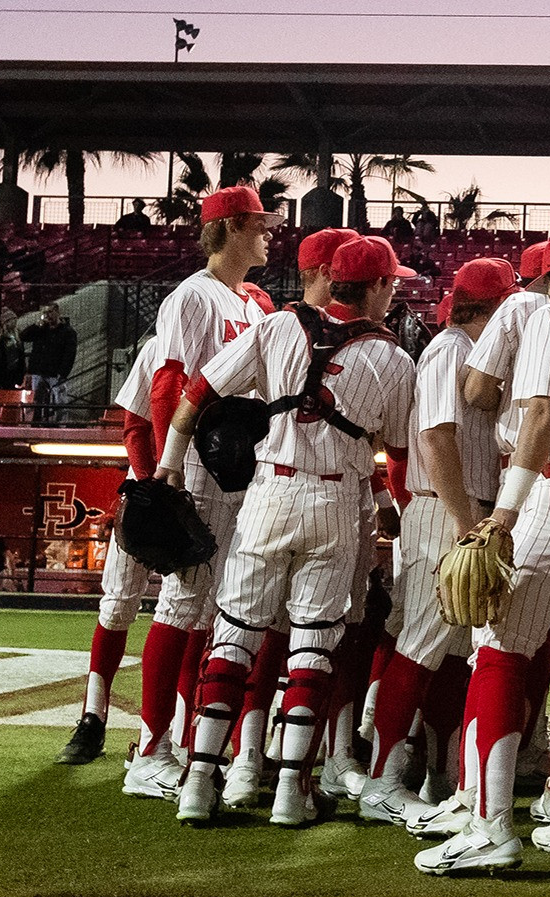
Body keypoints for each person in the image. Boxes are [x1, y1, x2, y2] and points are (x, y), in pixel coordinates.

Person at [157, 233, 415, 826]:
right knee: (313, 648)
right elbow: (399, 452)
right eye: (391, 284)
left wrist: (169, 464)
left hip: (268, 493)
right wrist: (396, 508)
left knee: (233, 640)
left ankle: (199, 783)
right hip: (335, 499)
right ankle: (290, 792)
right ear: (376, 285)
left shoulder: (278, 326)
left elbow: (197, 391)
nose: (394, 294)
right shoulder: (394, 358)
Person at [420, 235, 550, 873]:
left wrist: (503, 511)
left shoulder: (541, 312)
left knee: (499, 651)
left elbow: (519, 408)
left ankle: (489, 822)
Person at [117, 186, 278, 801]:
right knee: (181, 603)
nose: (268, 234)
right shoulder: (192, 294)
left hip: (239, 461)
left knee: (215, 612)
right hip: (200, 460)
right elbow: (169, 382)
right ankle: (150, 751)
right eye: (258, 224)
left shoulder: (253, 301)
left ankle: (190, 743)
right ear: (231, 227)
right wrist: (169, 465)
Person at [355, 256, 518, 837]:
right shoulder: (451, 349)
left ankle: (443, 780)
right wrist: (464, 520)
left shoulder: (470, 351)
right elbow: (435, 437)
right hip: (445, 510)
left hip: (463, 508)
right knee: (421, 644)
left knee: (452, 651)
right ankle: (381, 782)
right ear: (493, 307)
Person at [55, 338, 166, 766]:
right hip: (149, 490)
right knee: (117, 604)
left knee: (194, 615)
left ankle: (175, 729)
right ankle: (92, 717)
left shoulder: (241, 334)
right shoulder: (160, 345)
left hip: (211, 492)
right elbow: (135, 426)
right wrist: (151, 486)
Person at [19, 303, 79, 420]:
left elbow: (69, 354)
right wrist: (36, 326)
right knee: (36, 400)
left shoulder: (67, 332)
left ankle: (60, 424)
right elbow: (23, 336)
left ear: (57, 312)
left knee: (59, 401)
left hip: (55, 373)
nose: (47, 315)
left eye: (50, 312)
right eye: (45, 313)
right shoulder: (41, 329)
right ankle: (36, 422)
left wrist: (63, 373)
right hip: (38, 370)